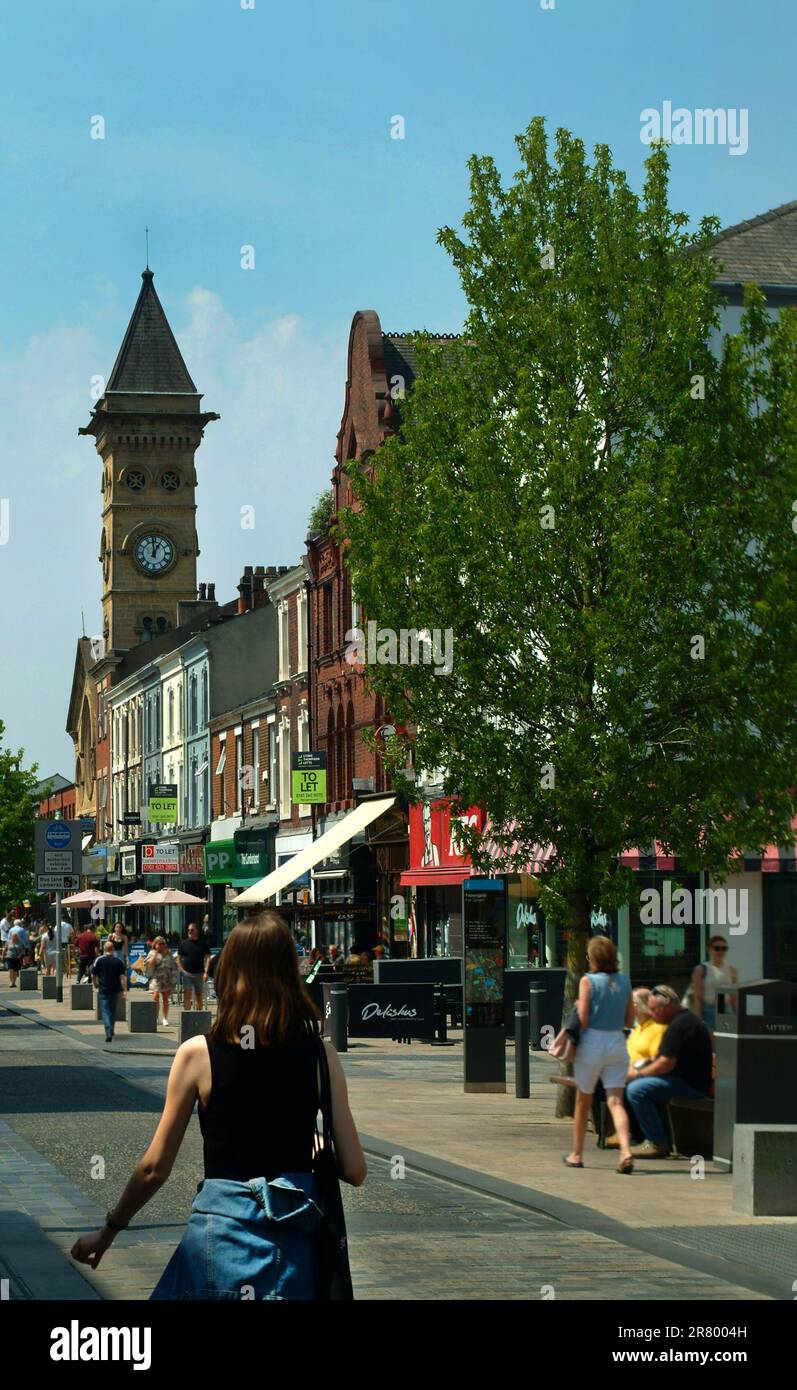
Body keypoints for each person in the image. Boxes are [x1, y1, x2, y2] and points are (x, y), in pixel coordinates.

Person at [70, 912, 367, 1299]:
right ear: (289, 974)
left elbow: (155, 1167)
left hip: (220, 1243)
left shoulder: (199, 1054)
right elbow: (356, 1170)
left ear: (230, 972)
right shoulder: (321, 1057)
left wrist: (110, 1230)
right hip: (295, 1253)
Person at [564, 935, 635, 1174]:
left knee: (584, 1100)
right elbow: (629, 1020)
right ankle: (625, 1151)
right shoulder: (624, 982)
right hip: (617, 1042)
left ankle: (576, 1154)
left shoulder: (588, 981)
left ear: (593, 958)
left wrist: (577, 1007)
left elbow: (583, 1019)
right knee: (616, 1101)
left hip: (593, 1042)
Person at [626, 984, 713, 1159]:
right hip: (685, 1079)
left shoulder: (679, 1026)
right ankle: (635, 1135)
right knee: (634, 1084)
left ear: (666, 1006)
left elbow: (666, 1064)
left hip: (690, 1084)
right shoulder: (681, 1021)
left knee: (637, 1089)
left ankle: (656, 1142)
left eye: (654, 1009)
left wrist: (638, 1074)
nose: (652, 1013)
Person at [685, 935, 738, 1033]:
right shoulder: (701, 969)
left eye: (724, 948)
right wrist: (698, 1019)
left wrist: (738, 1016)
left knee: (726, 1043)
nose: (720, 951)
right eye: (717, 948)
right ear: (709, 949)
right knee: (710, 1044)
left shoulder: (732, 970)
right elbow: (698, 997)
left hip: (726, 1011)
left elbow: (733, 997)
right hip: (708, 1010)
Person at [91, 938, 128, 1042]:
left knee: (105, 1011)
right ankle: (111, 1029)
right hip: (115, 989)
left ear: (104, 949)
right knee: (113, 1011)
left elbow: (93, 974)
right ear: (113, 949)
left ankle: (108, 1030)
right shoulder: (118, 961)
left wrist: (95, 984)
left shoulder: (99, 960)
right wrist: (124, 990)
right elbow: (122, 977)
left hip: (103, 989)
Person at [144, 937, 178, 1026]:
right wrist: (155, 954)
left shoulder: (168, 953)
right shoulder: (152, 953)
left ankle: (165, 1018)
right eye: (159, 944)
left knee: (166, 997)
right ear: (155, 945)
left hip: (166, 977)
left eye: (163, 943)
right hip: (156, 977)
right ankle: (155, 1017)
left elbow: (173, 965)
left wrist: (173, 977)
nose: (162, 945)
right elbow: (150, 963)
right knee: (155, 996)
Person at [177, 923, 211, 1010]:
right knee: (187, 994)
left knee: (199, 995)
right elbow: (179, 958)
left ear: (197, 931)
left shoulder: (203, 943)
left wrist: (206, 972)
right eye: (188, 930)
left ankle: (198, 1016)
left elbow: (208, 957)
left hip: (199, 973)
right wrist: (182, 970)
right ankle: (187, 1016)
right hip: (187, 973)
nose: (190, 932)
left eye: (192, 930)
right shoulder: (184, 943)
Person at [5, 919, 29, 987]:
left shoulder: (11, 929)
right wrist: (26, 946)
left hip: (11, 948)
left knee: (11, 968)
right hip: (20, 948)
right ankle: (24, 966)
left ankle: (12, 981)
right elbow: (25, 939)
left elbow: (8, 938)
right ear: (20, 923)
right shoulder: (22, 929)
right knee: (15, 967)